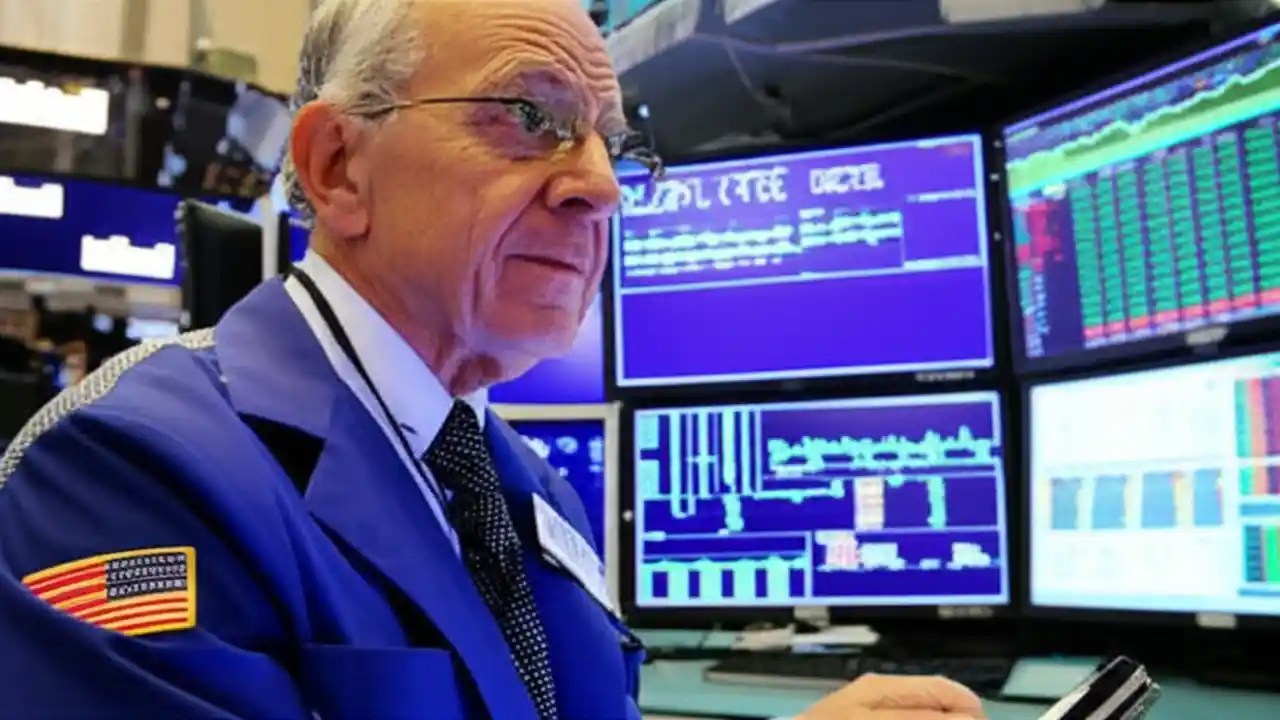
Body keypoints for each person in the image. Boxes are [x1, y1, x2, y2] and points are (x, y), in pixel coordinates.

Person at [0, 1, 986, 718]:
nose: (598, 187)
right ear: (338, 166)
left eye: (609, 143)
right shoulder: (131, 469)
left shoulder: (525, 488)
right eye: (528, 116)